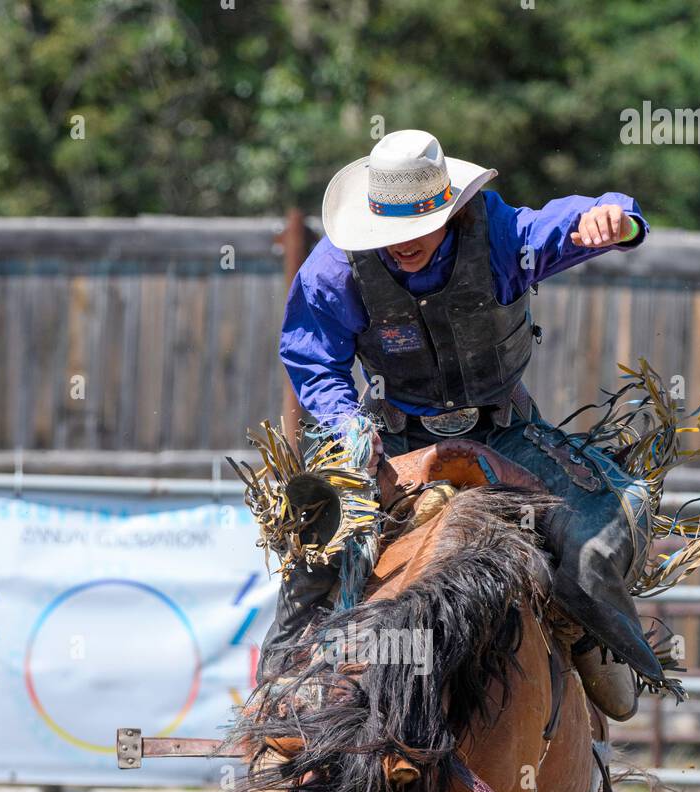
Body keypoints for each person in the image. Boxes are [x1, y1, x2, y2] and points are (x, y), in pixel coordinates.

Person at [263, 128, 665, 719]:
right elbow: (312, 357)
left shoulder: (499, 237)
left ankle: (590, 634)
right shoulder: (335, 271)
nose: (399, 245)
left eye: (413, 229)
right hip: (391, 434)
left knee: (592, 541)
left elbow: (570, 221)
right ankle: (279, 699)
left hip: (504, 430)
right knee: (315, 547)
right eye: (387, 232)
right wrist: (348, 427)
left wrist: (617, 220)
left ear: (448, 213)